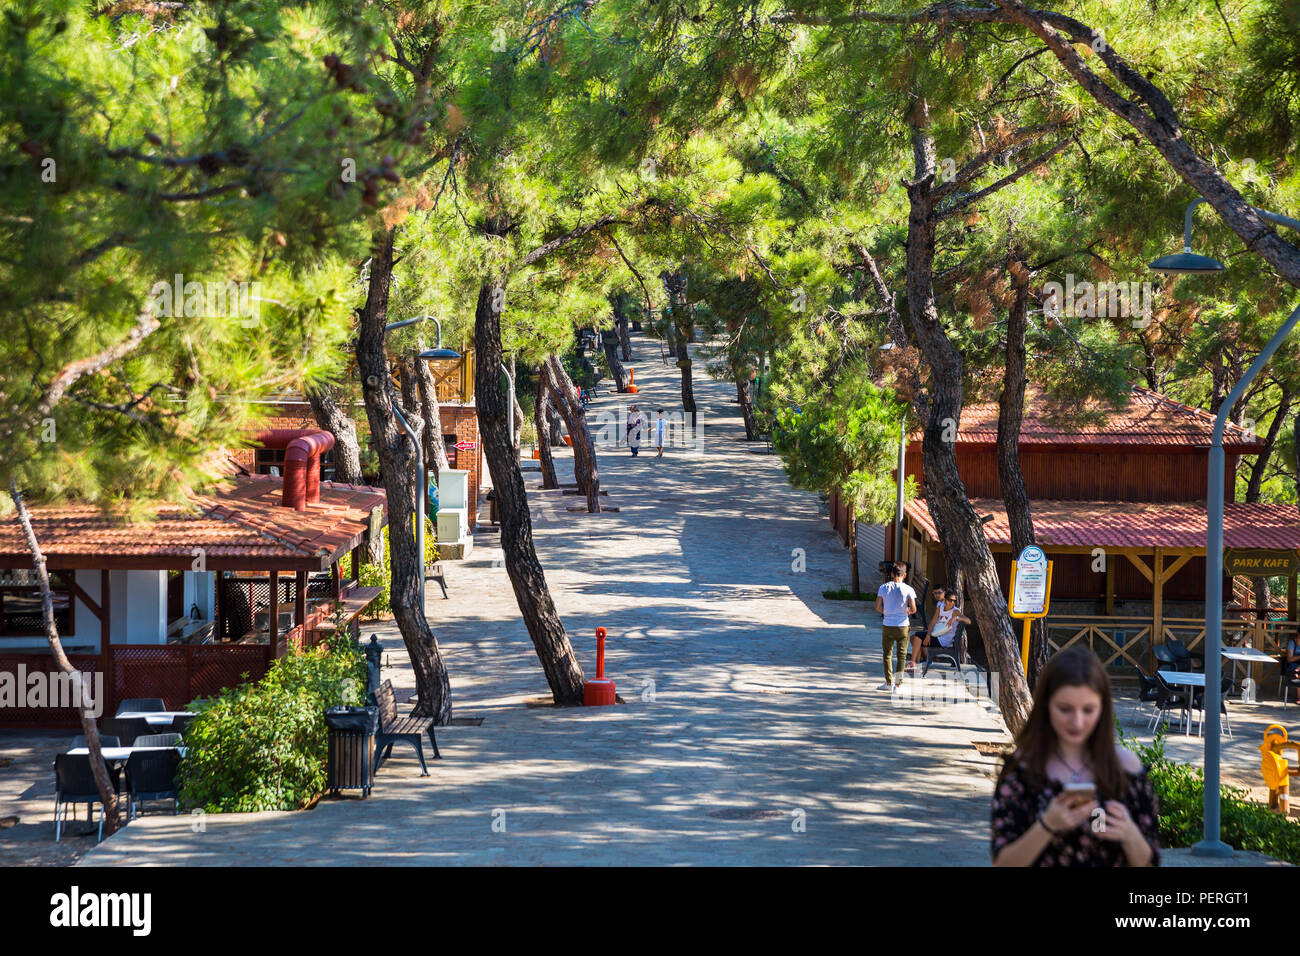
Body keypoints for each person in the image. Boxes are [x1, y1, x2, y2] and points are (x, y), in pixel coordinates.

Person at [992, 646, 1161, 867]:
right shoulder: (1022, 769)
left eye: (1088, 710)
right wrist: (1046, 826)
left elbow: (1150, 861)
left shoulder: (1127, 768)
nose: (1077, 722)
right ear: (1046, 705)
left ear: (1103, 709)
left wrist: (1130, 834)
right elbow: (1002, 863)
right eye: (1065, 709)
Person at [874, 562, 917, 691]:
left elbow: (877, 606)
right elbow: (914, 609)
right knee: (901, 655)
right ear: (904, 575)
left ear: (892, 574)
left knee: (887, 654)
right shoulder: (909, 589)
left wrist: (886, 612)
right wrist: (907, 611)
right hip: (903, 626)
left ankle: (888, 683)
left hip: (887, 624)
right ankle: (898, 685)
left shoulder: (883, 587)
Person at [908, 588, 970, 670]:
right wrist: (928, 635)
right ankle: (922, 660)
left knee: (917, 637)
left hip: (944, 640)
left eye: (954, 601)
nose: (952, 603)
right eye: (950, 600)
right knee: (913, 638)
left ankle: (913, 662)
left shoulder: (955, 611)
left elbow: (968, 621)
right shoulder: (940, 608)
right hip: (937, 635)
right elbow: (932, 623)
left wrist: (956, 617)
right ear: (945, 600)